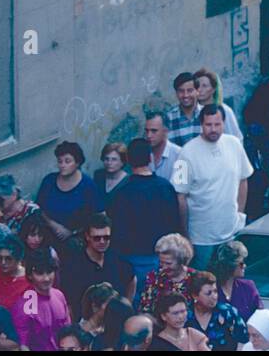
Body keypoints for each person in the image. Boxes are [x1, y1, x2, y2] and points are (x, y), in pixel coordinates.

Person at [171, 106, 252, 269]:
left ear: (224, 123)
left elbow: (243, 180)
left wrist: (240, 215)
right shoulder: (186, 153)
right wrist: (185, 235)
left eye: (217, 124)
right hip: (200, 238)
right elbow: (179, 196)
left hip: (231, 232)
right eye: (208, 125)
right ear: (201, 124)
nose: (213, 129)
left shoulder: (234, 144)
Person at [106, 138, 180, 283]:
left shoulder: (120, 192)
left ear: (127, 160)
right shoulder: (165, 187)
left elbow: (116, 229)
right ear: (150, 158)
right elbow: (174, 221)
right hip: (162, 258)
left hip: (130, 260)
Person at [35, 142, 102, 242]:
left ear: (77, 163)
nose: (62, 165)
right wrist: (53, 224)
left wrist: (73, 232)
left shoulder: (88, 186)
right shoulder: (49, 181)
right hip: (47, 233)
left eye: (67, 161)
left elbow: (98, 215)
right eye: (60, 161)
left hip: (76, 238)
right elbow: (38, 208)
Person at [10, 250, 71, 352]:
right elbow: (22, 345)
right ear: (30, 275)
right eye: (40, 273)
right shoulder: (24, 305)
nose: (46, 278)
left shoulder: (59, 295)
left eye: (49, 272)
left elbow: (68, 332)